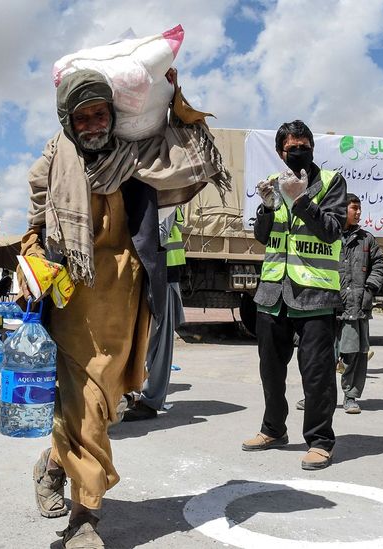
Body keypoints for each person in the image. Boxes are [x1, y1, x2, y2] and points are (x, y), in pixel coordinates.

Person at [21, 68, 229, 548]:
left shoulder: (137, 156)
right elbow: (36, 222)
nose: (94, 122)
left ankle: (53, 462)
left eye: (101, 113)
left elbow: (193, 153)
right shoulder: (53, 163)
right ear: (68, 121)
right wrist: (32, 259)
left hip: (128, 301)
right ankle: (85, 518)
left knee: (105, 407)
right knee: (86, 404)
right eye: (83, 115)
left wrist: (172, 95)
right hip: (75, 299)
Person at [242, 120, 347, 471]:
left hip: (314, 293)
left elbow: (332, 231)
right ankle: (273, 429)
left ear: (313, 148)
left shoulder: (331, 183)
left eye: (304, 146)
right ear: (280, 152)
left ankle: (320, 441)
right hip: (273, 293)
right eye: (292, 148)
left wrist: (300, 199)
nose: (298, 152)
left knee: (316, 373)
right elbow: (262, 236)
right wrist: (268, 206)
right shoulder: (275, 183)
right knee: (270, 370)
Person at [122, 206, 187, 422]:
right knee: (138, 337)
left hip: (163, 274)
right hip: (149, 272)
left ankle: (150, 401)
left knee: (158, 342)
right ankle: (133, 391)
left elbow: (157, 233)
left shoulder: (166, 196)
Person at [334, 193, 383, 413]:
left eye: (359, 208)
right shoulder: (328, 236)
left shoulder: (366, 239)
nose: (358, 212)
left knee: (354, 353)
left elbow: (379, 264)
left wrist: (369, 289)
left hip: (356, 305)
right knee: (320, 354)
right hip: (329, 304)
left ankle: (351, 396)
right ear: (342, 209)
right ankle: (316, 397)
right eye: (354, 208)